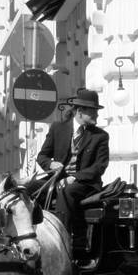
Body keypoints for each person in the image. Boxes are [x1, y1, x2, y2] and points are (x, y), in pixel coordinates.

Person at [36, 88, 110, 232]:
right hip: (56, 180)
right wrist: (51, 163)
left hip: (85, 184)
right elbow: (42, 156)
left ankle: (61, 235)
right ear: (80, 111)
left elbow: (99, 167)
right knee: (29, 189)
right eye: (93, 110)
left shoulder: (100, 136)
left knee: (66, 192)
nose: (97, 114)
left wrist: (74, 178)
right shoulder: (58, 128)